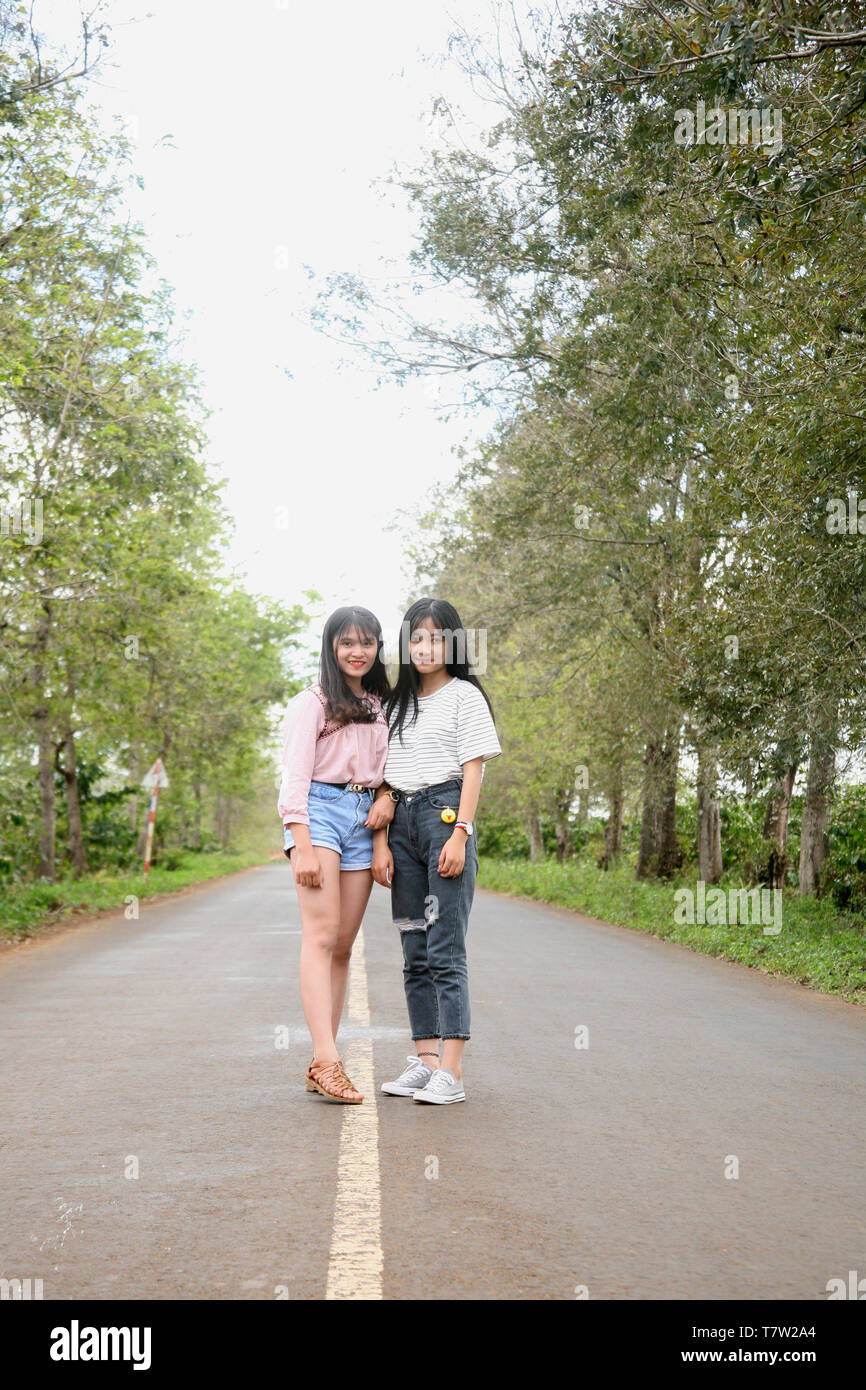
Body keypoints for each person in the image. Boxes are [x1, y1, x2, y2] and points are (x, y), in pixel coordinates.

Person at [370, 597, 501, 1105]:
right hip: (399, 821)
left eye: (436, 637)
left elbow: (474, 768)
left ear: (454, 643)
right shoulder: (393, 703)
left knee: (445, 947)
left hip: (444, 816)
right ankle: (424, 1062)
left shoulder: (465, 696)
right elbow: (379, 777)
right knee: (413, 948)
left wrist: (461, 833)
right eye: (416, 638)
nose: (425, 647)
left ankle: (452, 1071)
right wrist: (380, 842)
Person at [278, 606, 392, 1103]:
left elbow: (393, 766)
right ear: (331, 647)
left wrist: (387, 798)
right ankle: (327, 1059)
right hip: (319, 814)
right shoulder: (314, 702)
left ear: (376, 647)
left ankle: (324, 1059)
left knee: (344, 944)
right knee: (321, 935)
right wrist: (299, 843)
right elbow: (295, 778)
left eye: (366, 642)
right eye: (347, 643)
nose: (357, 651)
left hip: (365, 818)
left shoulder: (383, 703)